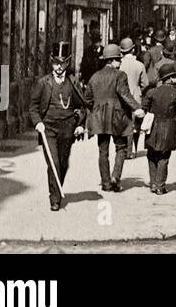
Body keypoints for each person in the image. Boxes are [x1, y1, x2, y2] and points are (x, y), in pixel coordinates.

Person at [29, 42, 87, 210]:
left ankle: (57, 187)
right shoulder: (43, 83)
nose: (59, 67)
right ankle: (54, 199)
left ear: (67, 63)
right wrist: (38, 122)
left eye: (62, 63)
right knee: (53, 162)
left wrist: (80, 124)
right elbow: (33, 107)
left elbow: (82, 106)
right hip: (48, 128)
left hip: (67, 128)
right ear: (51, 63)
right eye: (56, 63)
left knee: (62, 163)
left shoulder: (73, 82)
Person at [84, 43, 145, 192]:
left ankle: (105, 183)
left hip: (100, 119)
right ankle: (115, 177)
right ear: (112, 60)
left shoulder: (95, 77)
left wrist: (96, 111)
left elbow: (87, 99)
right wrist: (137, 108)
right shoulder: (120, 76)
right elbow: (125, 94)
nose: (120, 62)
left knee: (102, 151)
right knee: (121, 148)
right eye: (119, 59)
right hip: (118, 117)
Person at [142, 62, 176, 194]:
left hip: (153, 127)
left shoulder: (152, 92)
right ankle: (160, 185)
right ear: (170, 78)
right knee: (164, 157)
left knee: (151, 154)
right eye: (175, 76)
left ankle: (153, 183)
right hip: (169, 128)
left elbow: (144, 109)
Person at [118, 38, 149, 157]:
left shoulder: (119, 65)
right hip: (136, 96)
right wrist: (138, 90)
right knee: (135, 124)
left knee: (124, 123)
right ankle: (133, 149)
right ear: (133, 50)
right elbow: (145, 83)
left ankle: (125, 149)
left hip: (121, 97)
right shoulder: (140, 65)